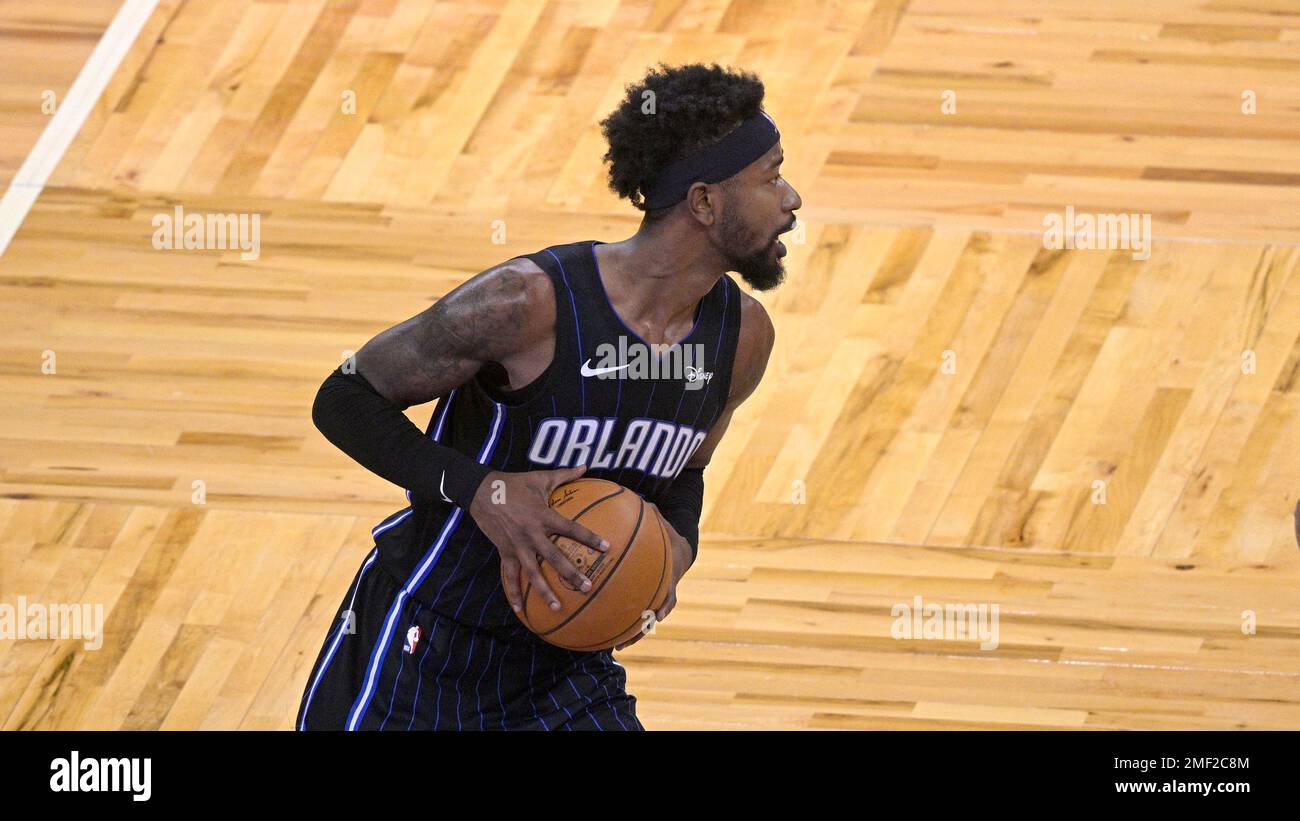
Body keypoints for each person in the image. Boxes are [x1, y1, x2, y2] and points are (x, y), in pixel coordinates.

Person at [296, 62, 801, 730]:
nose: (792, 199)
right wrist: (482, 491)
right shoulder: (528, 304)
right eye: (771, 177)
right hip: (426, 646)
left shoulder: (741, 340)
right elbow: (344, 397)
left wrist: (680, 544)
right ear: (705, 203)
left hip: (566, 665)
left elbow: (688, 470)